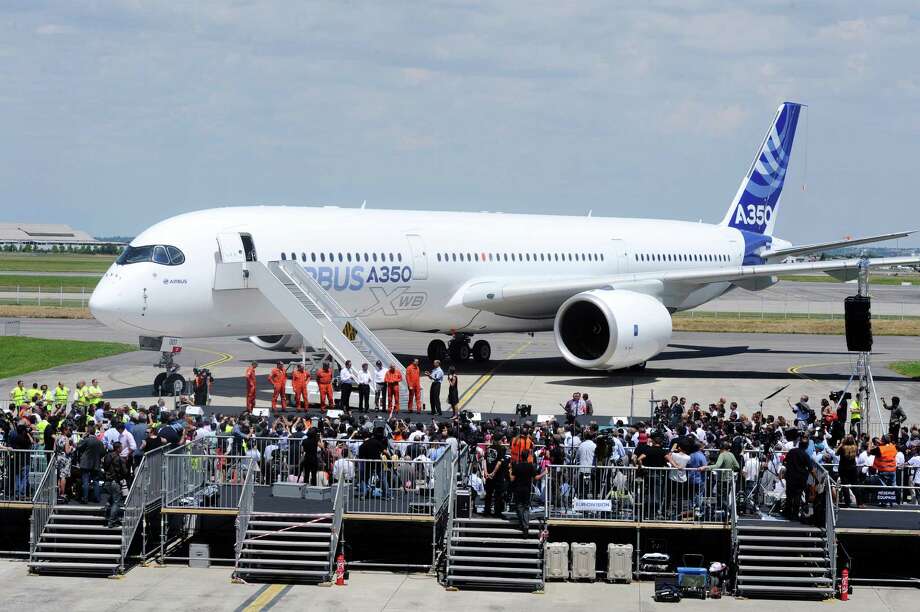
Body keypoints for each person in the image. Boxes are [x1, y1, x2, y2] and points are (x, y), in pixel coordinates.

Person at [508, 449, 544, 536]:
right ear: (528, 456)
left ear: (521, 456)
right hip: (527, 489)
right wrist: (544, 473)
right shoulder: (530, 466)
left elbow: (512, 479)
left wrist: (510, 470)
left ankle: (523, 524)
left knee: (519, 507)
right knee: (526, 507)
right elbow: (536, 477)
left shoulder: (517, 466)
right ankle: (525, 526)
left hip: (518, 489)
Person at [782, 437, 817, 522]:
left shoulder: (791, 451)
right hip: (800, 478)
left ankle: (787, 513)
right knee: (797, 496)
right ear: (806, 446)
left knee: (789, 496)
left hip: (790, 477)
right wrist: (816, 479)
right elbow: (811, 469)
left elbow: (784, 461)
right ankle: (795, 514)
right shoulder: (805, 455)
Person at [101, 441, 129, 528]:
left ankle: (110, 514)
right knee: (116, 502)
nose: (122, 448)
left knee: (112, 499)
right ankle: (112, 521)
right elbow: (125, 471)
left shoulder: (107, 456)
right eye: (121, 447)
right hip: (115, 482)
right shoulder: (119, 459)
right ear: (118, 448)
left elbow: (104, 466)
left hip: (107, 482)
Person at [76, 423, 105, 503]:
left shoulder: (86, 440)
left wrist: (82, 438)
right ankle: (97, 498)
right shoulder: (99, 442)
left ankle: (85, 498)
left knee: (85, 481)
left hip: (85, 463)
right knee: (96, 481)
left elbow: (78, 447)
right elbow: (103, 452)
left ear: (88, 432)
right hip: (96, 463)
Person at [482, 437, 509, 517]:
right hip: (497, 475)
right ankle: (497, 512)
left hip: (488, 474)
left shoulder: (488, 448)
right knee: (498, 495)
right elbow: (499, 463)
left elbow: (484, 460)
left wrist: (486, 472)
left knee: (488, 494)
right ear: (500, 440)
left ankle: (487, 511)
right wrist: (493, 473)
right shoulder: (501, 449)